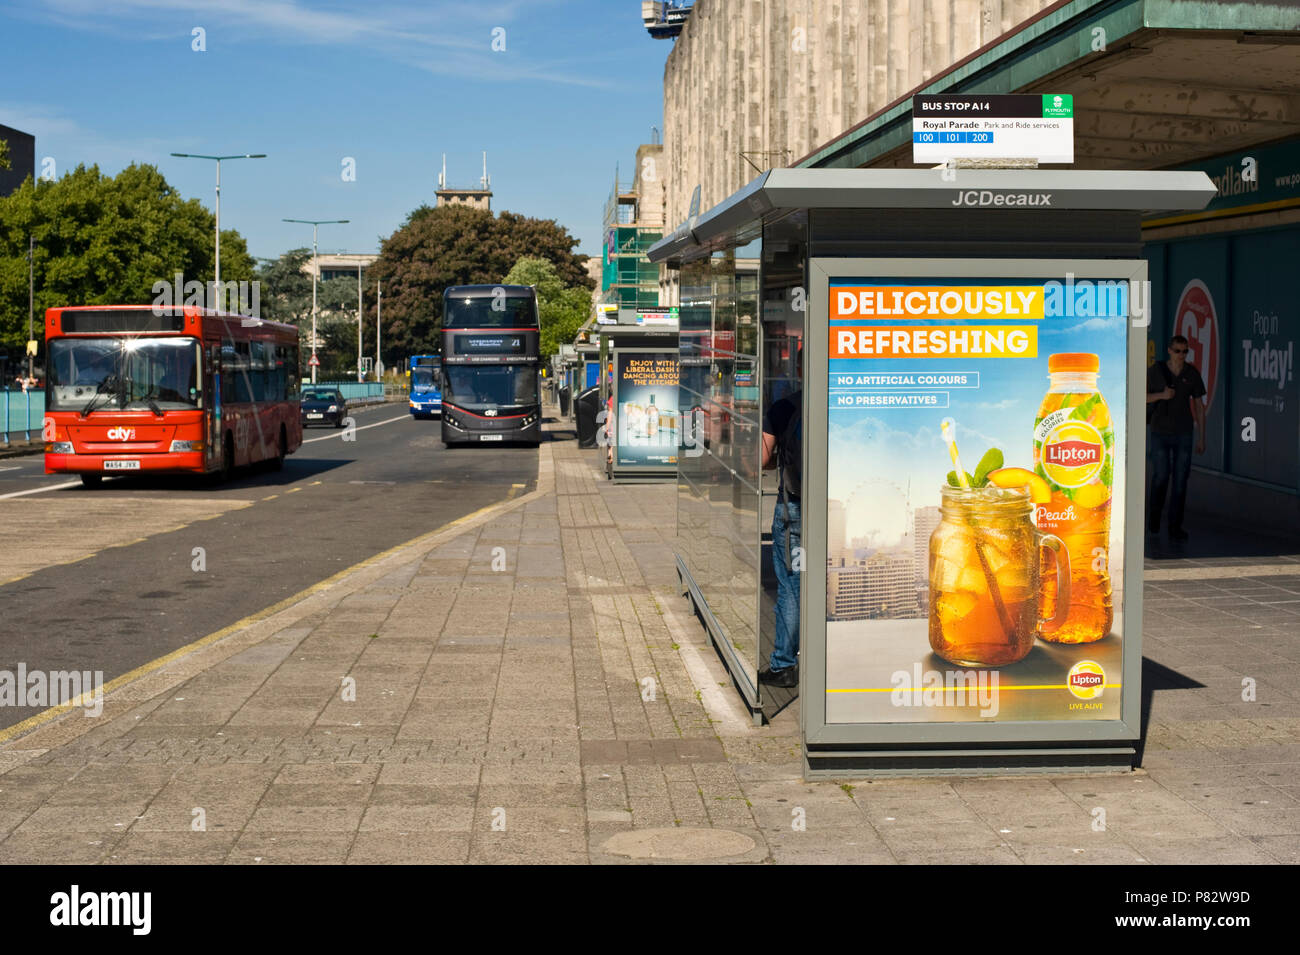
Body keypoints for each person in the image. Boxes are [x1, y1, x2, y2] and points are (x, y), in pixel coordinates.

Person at [759, 345, 802, 688]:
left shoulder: (784, 407)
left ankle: (784, 665)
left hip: (794, 510)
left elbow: (762, 459)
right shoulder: (840, 404)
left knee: (791, 585)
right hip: (833, 510)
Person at [1146, 334, 1206, 541]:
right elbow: (1140, 396)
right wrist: (1161, 396)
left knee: (1181, 481)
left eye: (1185, 351)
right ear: (1170, 351)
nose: (1182, 355)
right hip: (1160, 432)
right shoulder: (1155, 372)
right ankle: (1153, 522)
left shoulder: (1192, 373)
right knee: (1161, 477)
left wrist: (1201, 437)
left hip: (1184, 433)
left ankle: (1175, 526)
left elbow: (1199, 405)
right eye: (1178, 351)